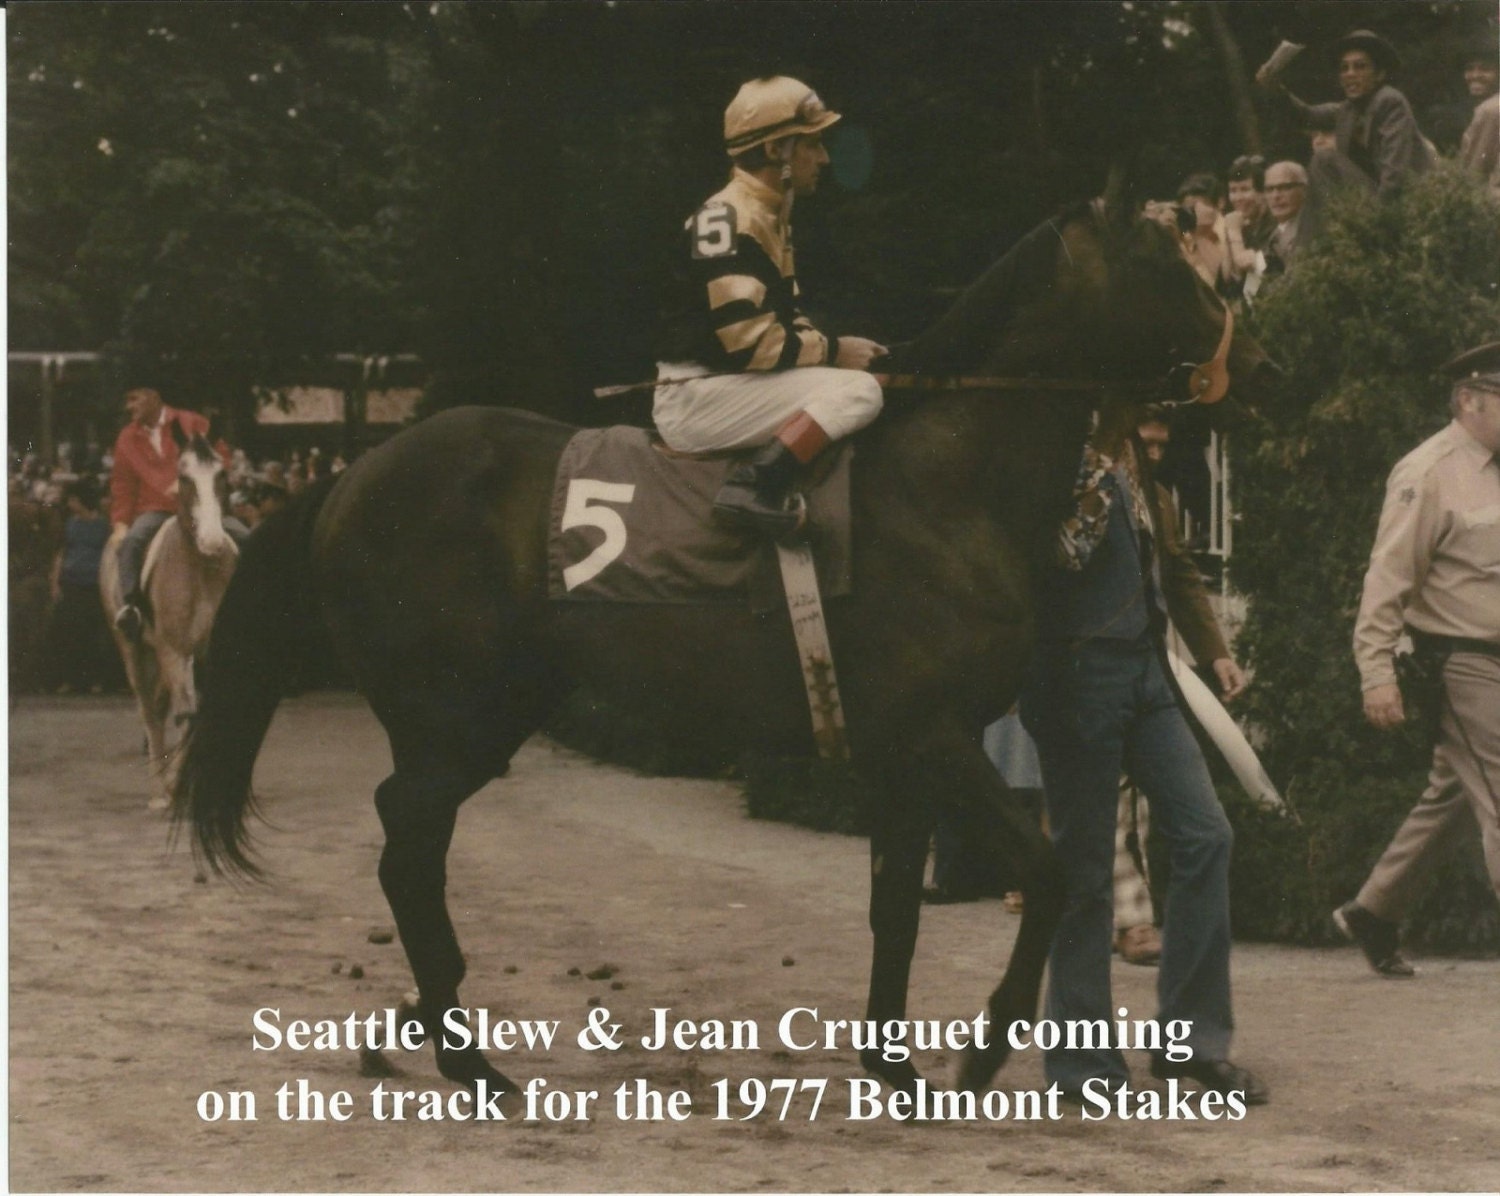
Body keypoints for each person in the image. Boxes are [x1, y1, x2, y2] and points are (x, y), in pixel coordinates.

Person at [1020, 399, 1264, 1105]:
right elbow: (1046, 560)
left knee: (1206, 834)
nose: (1160, 434)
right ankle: (1080, 1066)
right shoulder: (1055, 459)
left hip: (1152, 674)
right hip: (1077, 676)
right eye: (1146, 417)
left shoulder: (1141, 474)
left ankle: (1190, 1046)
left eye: (1163, 420)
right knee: (1085, 869)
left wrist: (1214, 652)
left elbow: (1178, 570)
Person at [653, 75, 887, 536]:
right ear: (777, 150)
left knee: (854, 381)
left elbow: (787, 319)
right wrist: (837, 352)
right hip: (698, 398)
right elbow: (751, 345)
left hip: (725, 384)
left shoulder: (769, 211)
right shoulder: (728, 218)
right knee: (860, 392)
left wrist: (835, 351)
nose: (823, 158)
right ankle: (749, 488)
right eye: (813, 144)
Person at [1336, 341, 1500, 978]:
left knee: (1455, 797)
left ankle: (1374, 910)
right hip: (1459, 664)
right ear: (1468, 400)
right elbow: (1388, 580)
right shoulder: (1427, 473)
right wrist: (1375, 673)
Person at [108, 387, 248, 642]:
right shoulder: (127, 438)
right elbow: (123, 484)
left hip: (202, 506)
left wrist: (194, 483)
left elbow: (221, 458)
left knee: (248, 538)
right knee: (131, 543)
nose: (129, 406)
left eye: (134, 398)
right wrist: (120, 522)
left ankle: (258, 605)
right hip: (154, 509)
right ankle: (131, 608)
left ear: (154, 397)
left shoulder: (193, 423)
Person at [1260, 29, 1435, 207]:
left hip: (1407, 202)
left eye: (1360, 66)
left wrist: (1379, 221)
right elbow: (1306, 116)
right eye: (1344, 68)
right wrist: (1276, 90)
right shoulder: (1347, 110)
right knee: (1323, 162)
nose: (1350, 74)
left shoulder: (1389, 101)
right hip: (1375, 202)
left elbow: (1394, 173)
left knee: (1325, 160)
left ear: (1379, 74)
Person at [47, 475, 115, 694]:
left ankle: (97, 680)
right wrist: (55, 582)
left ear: (80, 500)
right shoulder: (70, 525)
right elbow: (61, 554)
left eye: (72, 500)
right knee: (71, 634)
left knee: (95, 634)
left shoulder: (103, 525)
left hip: (94, 584)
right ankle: (71, 680)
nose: (69, 504)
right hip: (72, 583)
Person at [1222, 156, 1277, 308]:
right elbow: (1230, 280)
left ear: (1263, 193)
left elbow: (1248, 266)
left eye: (1245, 189)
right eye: (1233, 191)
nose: (1238, 198)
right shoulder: (1242, 225)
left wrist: (1233, 233)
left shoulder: (1275, 225)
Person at [1458, 33, 1500, 199]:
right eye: (1470, 69)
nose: (1475, 75)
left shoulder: (1490, 110)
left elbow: (1474, 174)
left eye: (1485, 69)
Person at [1175, 173, 1228, 291]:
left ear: (1220, 203)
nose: (1192, 215)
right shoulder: (1186, 238)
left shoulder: (1235, 231)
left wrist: (1202, 235)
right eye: (1187, 210)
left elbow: (1226, 282)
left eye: (1195, 208)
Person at [1262, 161, 1312, 276]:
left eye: (1284, 188)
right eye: (1269, 189)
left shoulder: (1311, 230)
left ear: (1304, 189)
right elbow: (1251, 289)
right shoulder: (1269, 234)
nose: (1276, 196)